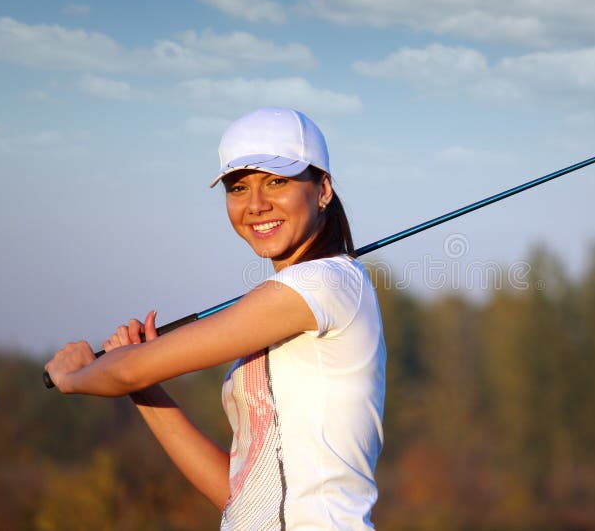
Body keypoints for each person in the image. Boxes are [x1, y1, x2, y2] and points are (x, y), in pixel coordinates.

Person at [44, 106, 387, 530]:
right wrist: (145, 390)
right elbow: (240, 497)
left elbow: (128, 369)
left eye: (277, 181)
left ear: (323, 189)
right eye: (238, 188)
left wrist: (75, 375)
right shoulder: (303, 296)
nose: (257, 204)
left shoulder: (325, 282)